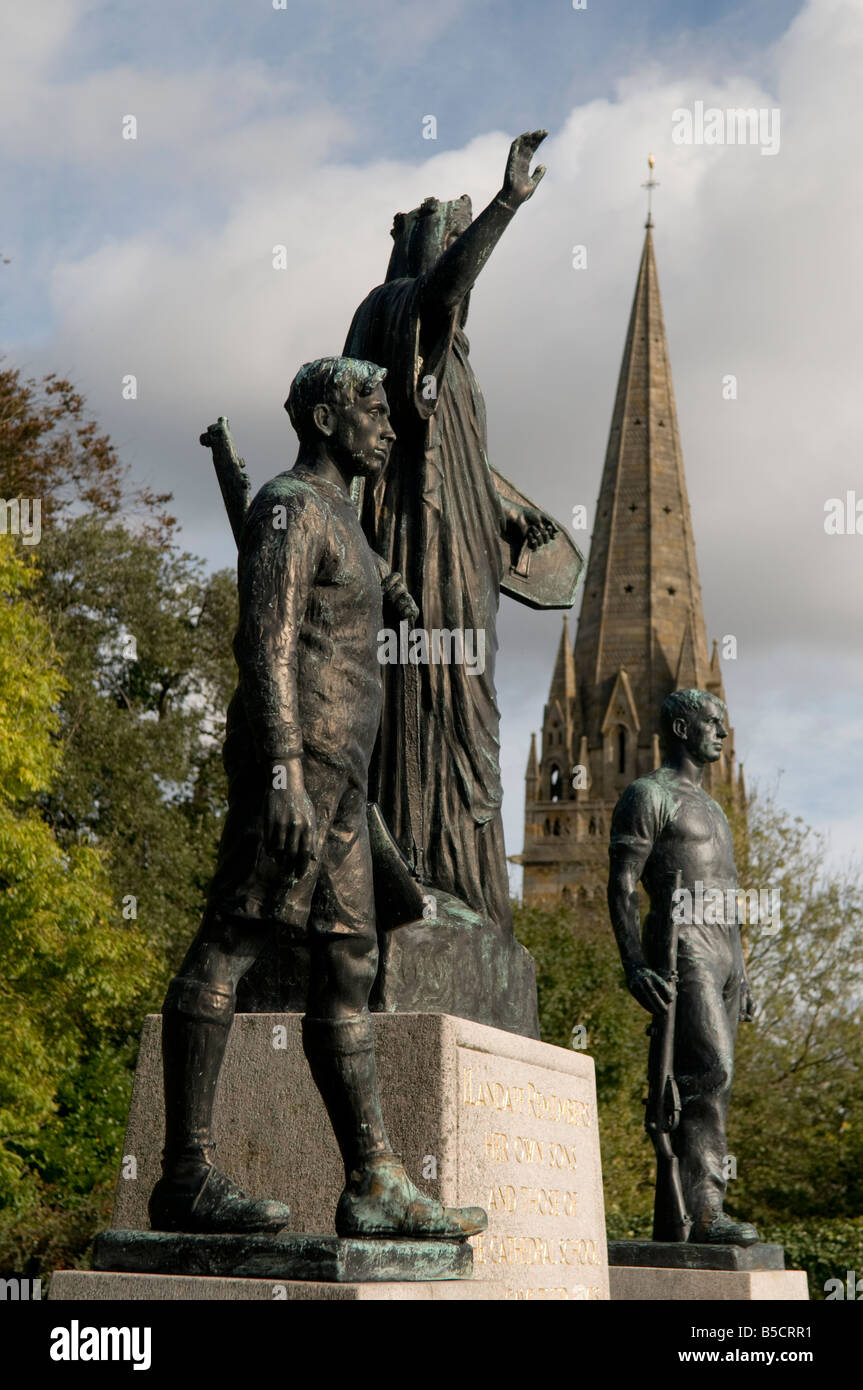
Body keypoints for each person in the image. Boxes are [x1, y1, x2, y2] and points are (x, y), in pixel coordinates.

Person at [149, 357, 486, 1240]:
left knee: (349, 966)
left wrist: (390, 592)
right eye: (373, 410)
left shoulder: (342, 520)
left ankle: (372, 1180)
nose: (387, 424)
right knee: (232, 941)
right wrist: (283, 772)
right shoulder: (289, 507)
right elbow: (263, 646)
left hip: (344, 788)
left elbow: (346, 619)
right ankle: (184, 1175)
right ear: (327, 420)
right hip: (295, 775)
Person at [343, 131, 555, 934]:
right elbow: (438, 293)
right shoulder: (392, 308)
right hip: (413, 549)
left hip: (462, 556)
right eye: (451, 240)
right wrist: (505, 205)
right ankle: (414, 874)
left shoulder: (459, 365)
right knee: (423, 695)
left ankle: (463, 884)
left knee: (469, 707)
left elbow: (461, 461)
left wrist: (503, 510)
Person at [607, 688, 758, 1245]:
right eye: (712, 722)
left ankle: (699, 1205)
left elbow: (730, 892)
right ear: (679, 728)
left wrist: (741, 969)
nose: (721, 731)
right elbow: (622, 885)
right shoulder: (648, 794)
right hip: (681, 943)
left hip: (722, 950)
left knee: (718, 1082)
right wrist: (633, 964)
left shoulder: (714, 805)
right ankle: (704, 1210)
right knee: (714, 1070)